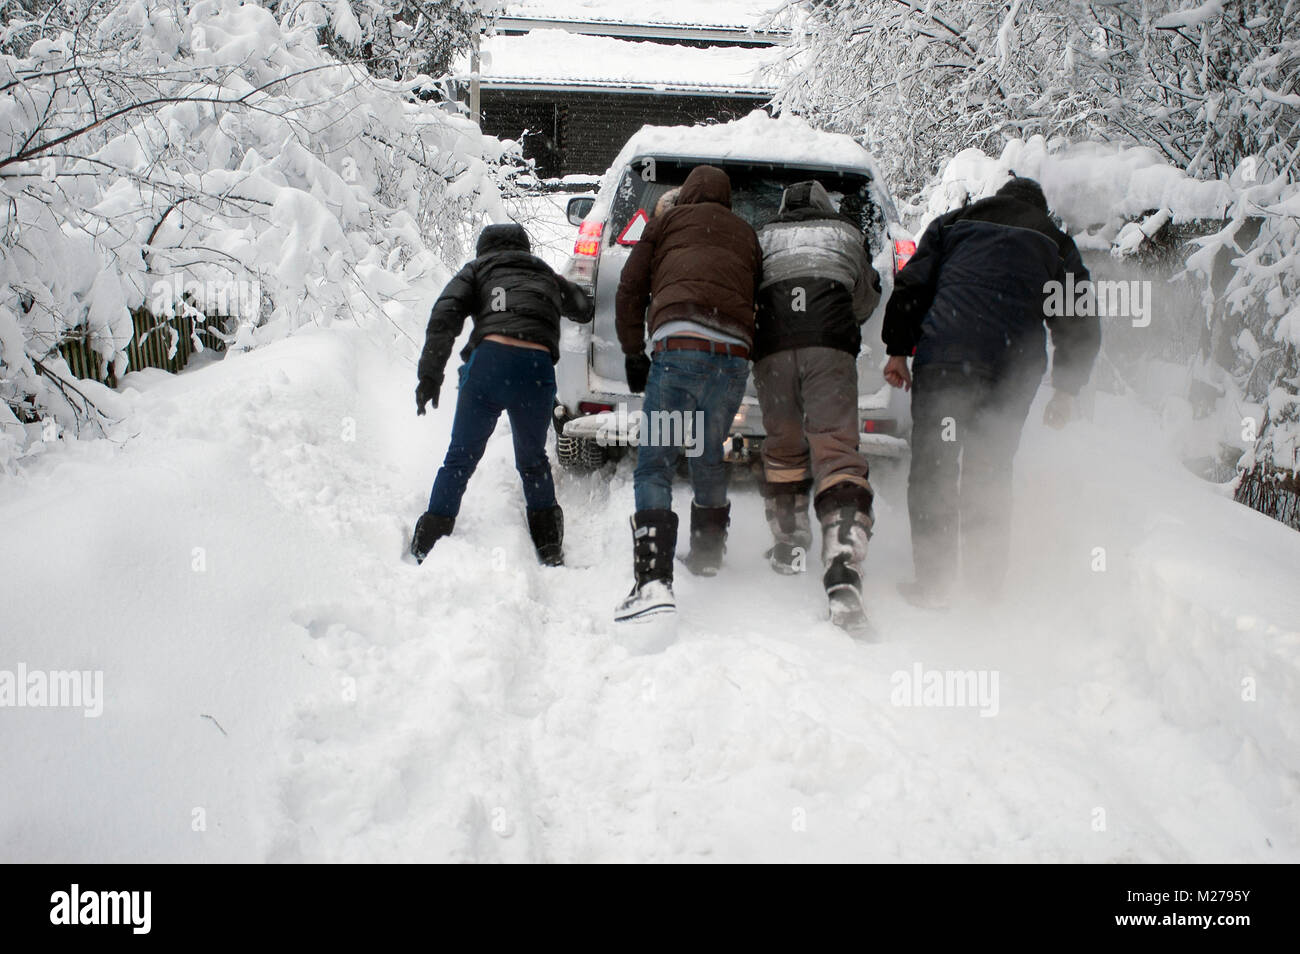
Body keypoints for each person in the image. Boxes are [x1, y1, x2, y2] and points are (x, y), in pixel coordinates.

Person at [882, 176, 1100, 607]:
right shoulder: (1054, 242)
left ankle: (934, 584)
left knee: (934, 469)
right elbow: (1079, 320)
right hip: (1009, 372)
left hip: (946, 360)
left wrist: (896, 352)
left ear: (995, 199)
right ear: (1038, 209)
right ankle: (984, 590)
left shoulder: (951, 224)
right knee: (990, 471)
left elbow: (913, 285)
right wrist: (1067, 391)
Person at [613, 165, 763, 623]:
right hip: (732, 359)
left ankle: (654, 583)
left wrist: (633, 352)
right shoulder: (746, 234)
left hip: (679, 351)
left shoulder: (667, 222)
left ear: (689, 193)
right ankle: (708, 555)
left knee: (655, 462)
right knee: (705, 450)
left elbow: (630, 287)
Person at [410, 222, 592, 566]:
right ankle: (549, 547)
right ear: (524, 249)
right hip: (535, 371)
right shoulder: (547, 275)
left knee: (459, 458)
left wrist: (429, 376)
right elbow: (583, 308)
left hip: (489, 365)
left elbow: (444, 315)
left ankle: (428, 542)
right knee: (533, 461)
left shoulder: (478, 270)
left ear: (485, 250)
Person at [752, 180, 882, 631]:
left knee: (784, 445)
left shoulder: (762, 235)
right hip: (829, 345)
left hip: (771, 348)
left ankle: (789, 543)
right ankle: (843, 566)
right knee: (836, 451)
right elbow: (865, 299)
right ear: (827, 207)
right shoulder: (846, 233)